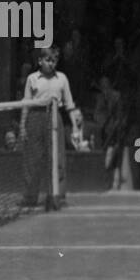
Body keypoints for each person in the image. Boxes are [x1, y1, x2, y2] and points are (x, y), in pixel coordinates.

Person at [21, 46, 82, 211]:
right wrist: (22, 126)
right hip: (35, 118)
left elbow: (69, 104)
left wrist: (76, 128)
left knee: (57, 158)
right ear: (40, 61)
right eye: (48, 60)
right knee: (33, 159)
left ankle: (57, 196)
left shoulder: (62, 78)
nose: (51, 64)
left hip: (55, 118)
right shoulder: (32, 79)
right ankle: (30, 197)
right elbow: (26, 104)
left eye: (54, 61)